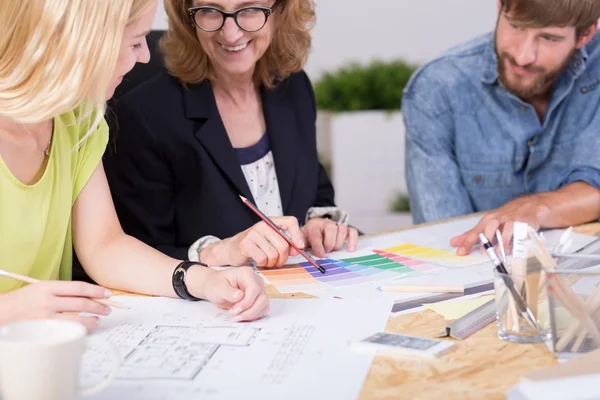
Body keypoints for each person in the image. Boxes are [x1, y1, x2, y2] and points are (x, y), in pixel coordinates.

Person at [0, 0, 270, 329]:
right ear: (83, 41)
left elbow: (105, 246)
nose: (144, 56)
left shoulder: (79, 122)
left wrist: (203, 281)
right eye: (135, 42)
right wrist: (9, 311)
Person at [103, 0, 359, 269]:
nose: (231, 33)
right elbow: (137, 253)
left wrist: (320, 224)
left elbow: (315, 191)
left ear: (281, 12)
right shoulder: (146, 115)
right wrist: (216, 252)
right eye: (210, 11)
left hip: (302, 295)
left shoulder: (294, 87)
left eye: (249, 10)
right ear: (188, 16)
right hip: (213, 304)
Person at [404, 0, 600, 254]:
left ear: (585, 34)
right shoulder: (437, 88)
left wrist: (539, 207)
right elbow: (445, 237)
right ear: (500, 8)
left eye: (549, 38)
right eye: (516, 26)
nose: (523, 56)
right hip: (482, 280)